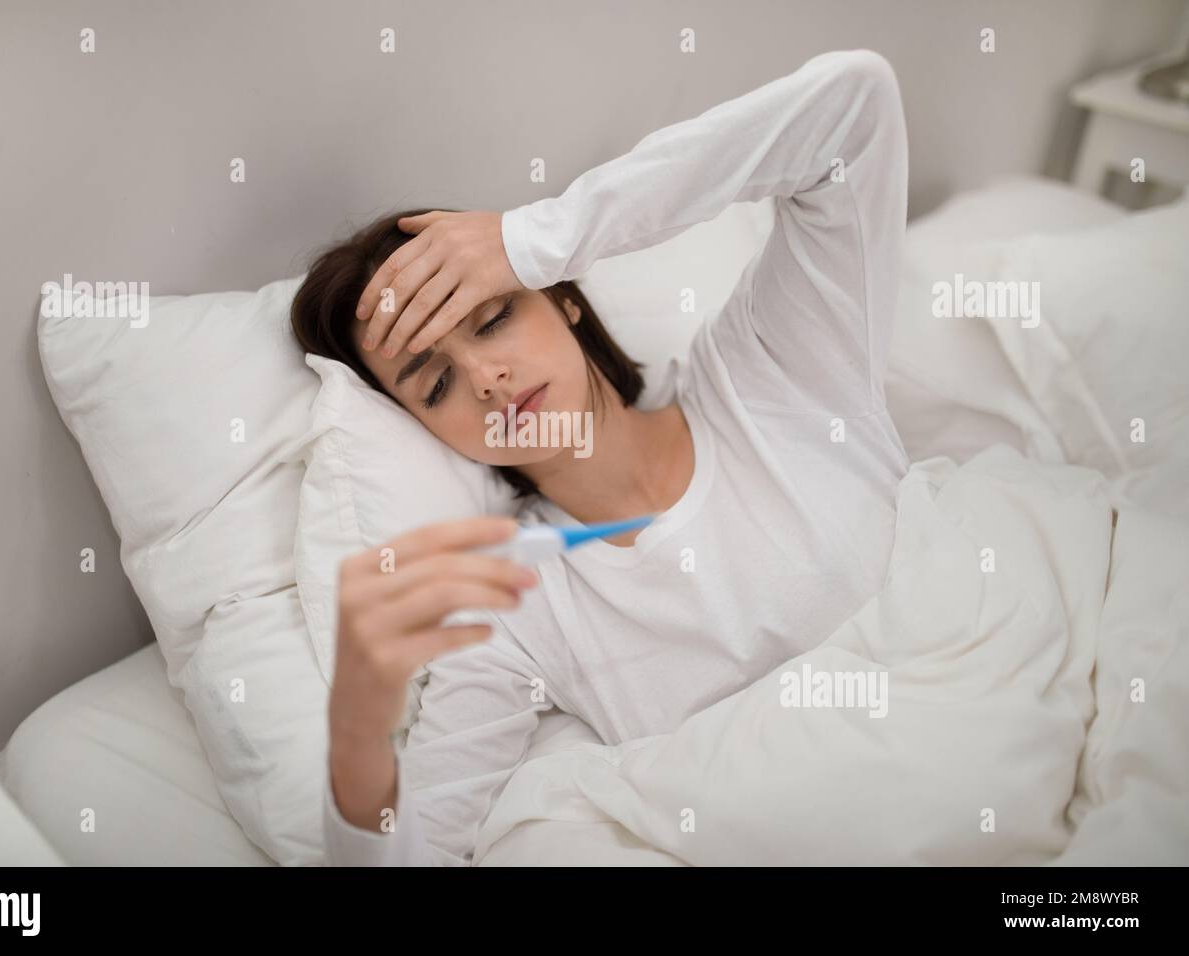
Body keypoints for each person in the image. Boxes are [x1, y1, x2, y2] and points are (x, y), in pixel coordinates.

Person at [290, 48, 911, 865]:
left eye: (490, 317)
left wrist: (536, 235)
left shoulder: (775, 370)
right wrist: (360, 733)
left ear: (564, 296)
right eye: (434, 383)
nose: (486, 379)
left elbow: (855, 105)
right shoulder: (517, 606)